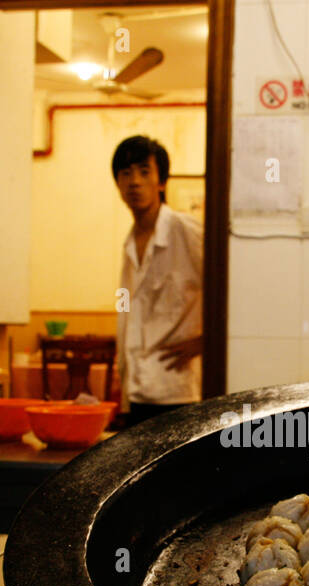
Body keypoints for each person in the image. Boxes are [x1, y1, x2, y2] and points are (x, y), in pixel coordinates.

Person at [111, 135, 203, 427]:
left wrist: (205, 341)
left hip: (178, 392)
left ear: (161, 182)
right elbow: (127, 315)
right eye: (126, 174)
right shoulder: (129, 243)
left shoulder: (185, 230)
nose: (134, 182)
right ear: (118, 184)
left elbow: (232, 285)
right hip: (137, 390)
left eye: (144, 171)